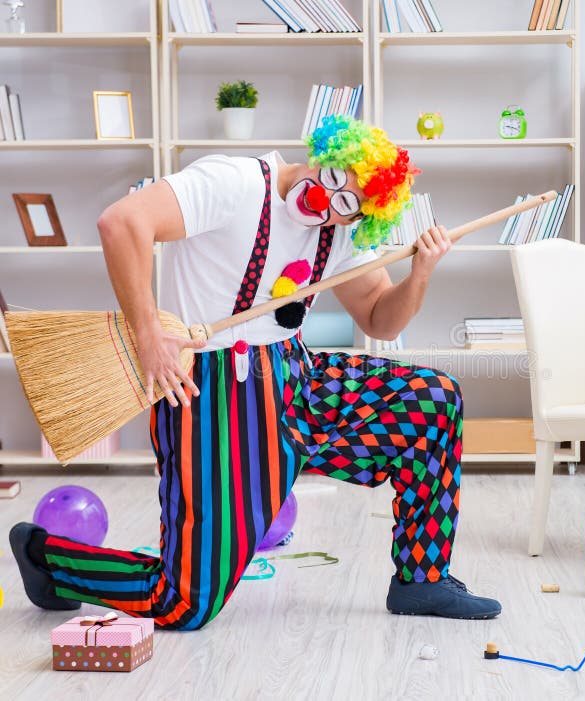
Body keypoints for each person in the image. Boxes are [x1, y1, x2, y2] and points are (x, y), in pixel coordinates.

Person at [10, 115, 501, 629]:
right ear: (324, 154)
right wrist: (147, 333)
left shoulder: (339, 234)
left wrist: (420, 273)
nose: (326, 198)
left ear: (359, 216)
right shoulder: (234, 183)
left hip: (294, 378)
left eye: (346, 203)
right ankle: (47, 560)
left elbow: (381, 318)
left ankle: (422, 581)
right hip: (211, 395)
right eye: (332, 177)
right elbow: (122, 222)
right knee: (184, 604)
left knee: (433, 401)